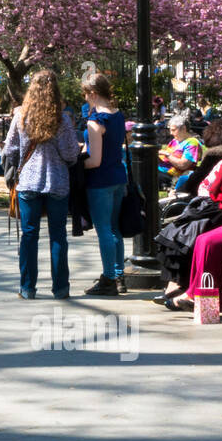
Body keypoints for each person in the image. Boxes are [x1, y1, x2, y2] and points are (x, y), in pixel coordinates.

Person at [158, 124, 222, 308]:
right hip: (215, 208)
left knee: (201, 237)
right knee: (178, 231)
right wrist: (217, 202)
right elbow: (204, 186)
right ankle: (185, 288)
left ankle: (200, 295)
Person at [4, 71, 79, 299]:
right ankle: (61, 288)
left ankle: (27, 288)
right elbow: (70, 153)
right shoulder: (63, 119)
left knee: (29, 235)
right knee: (58, 235)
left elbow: (9, 149)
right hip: (57, 183)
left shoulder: (21, 117)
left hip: (28, 182)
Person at [80, 72, 128, 296]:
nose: (85, 98)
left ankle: (108, 277)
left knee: (104, 231)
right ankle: (118, 274)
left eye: (85, 94)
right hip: (119, 176)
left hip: (100, 181)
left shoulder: (96, 121)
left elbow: (94, 160)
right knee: (115, 228)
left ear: (92, 93)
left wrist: (74, 165)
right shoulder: (118, 115)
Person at [158, 114, 203, 191]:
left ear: (183, 129)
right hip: (162, 171)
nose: (171, 133)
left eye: (173, 130)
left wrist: (167, 154)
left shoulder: (192, 143)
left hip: (173, 176)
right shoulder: (175, 140)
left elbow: (183, 165)